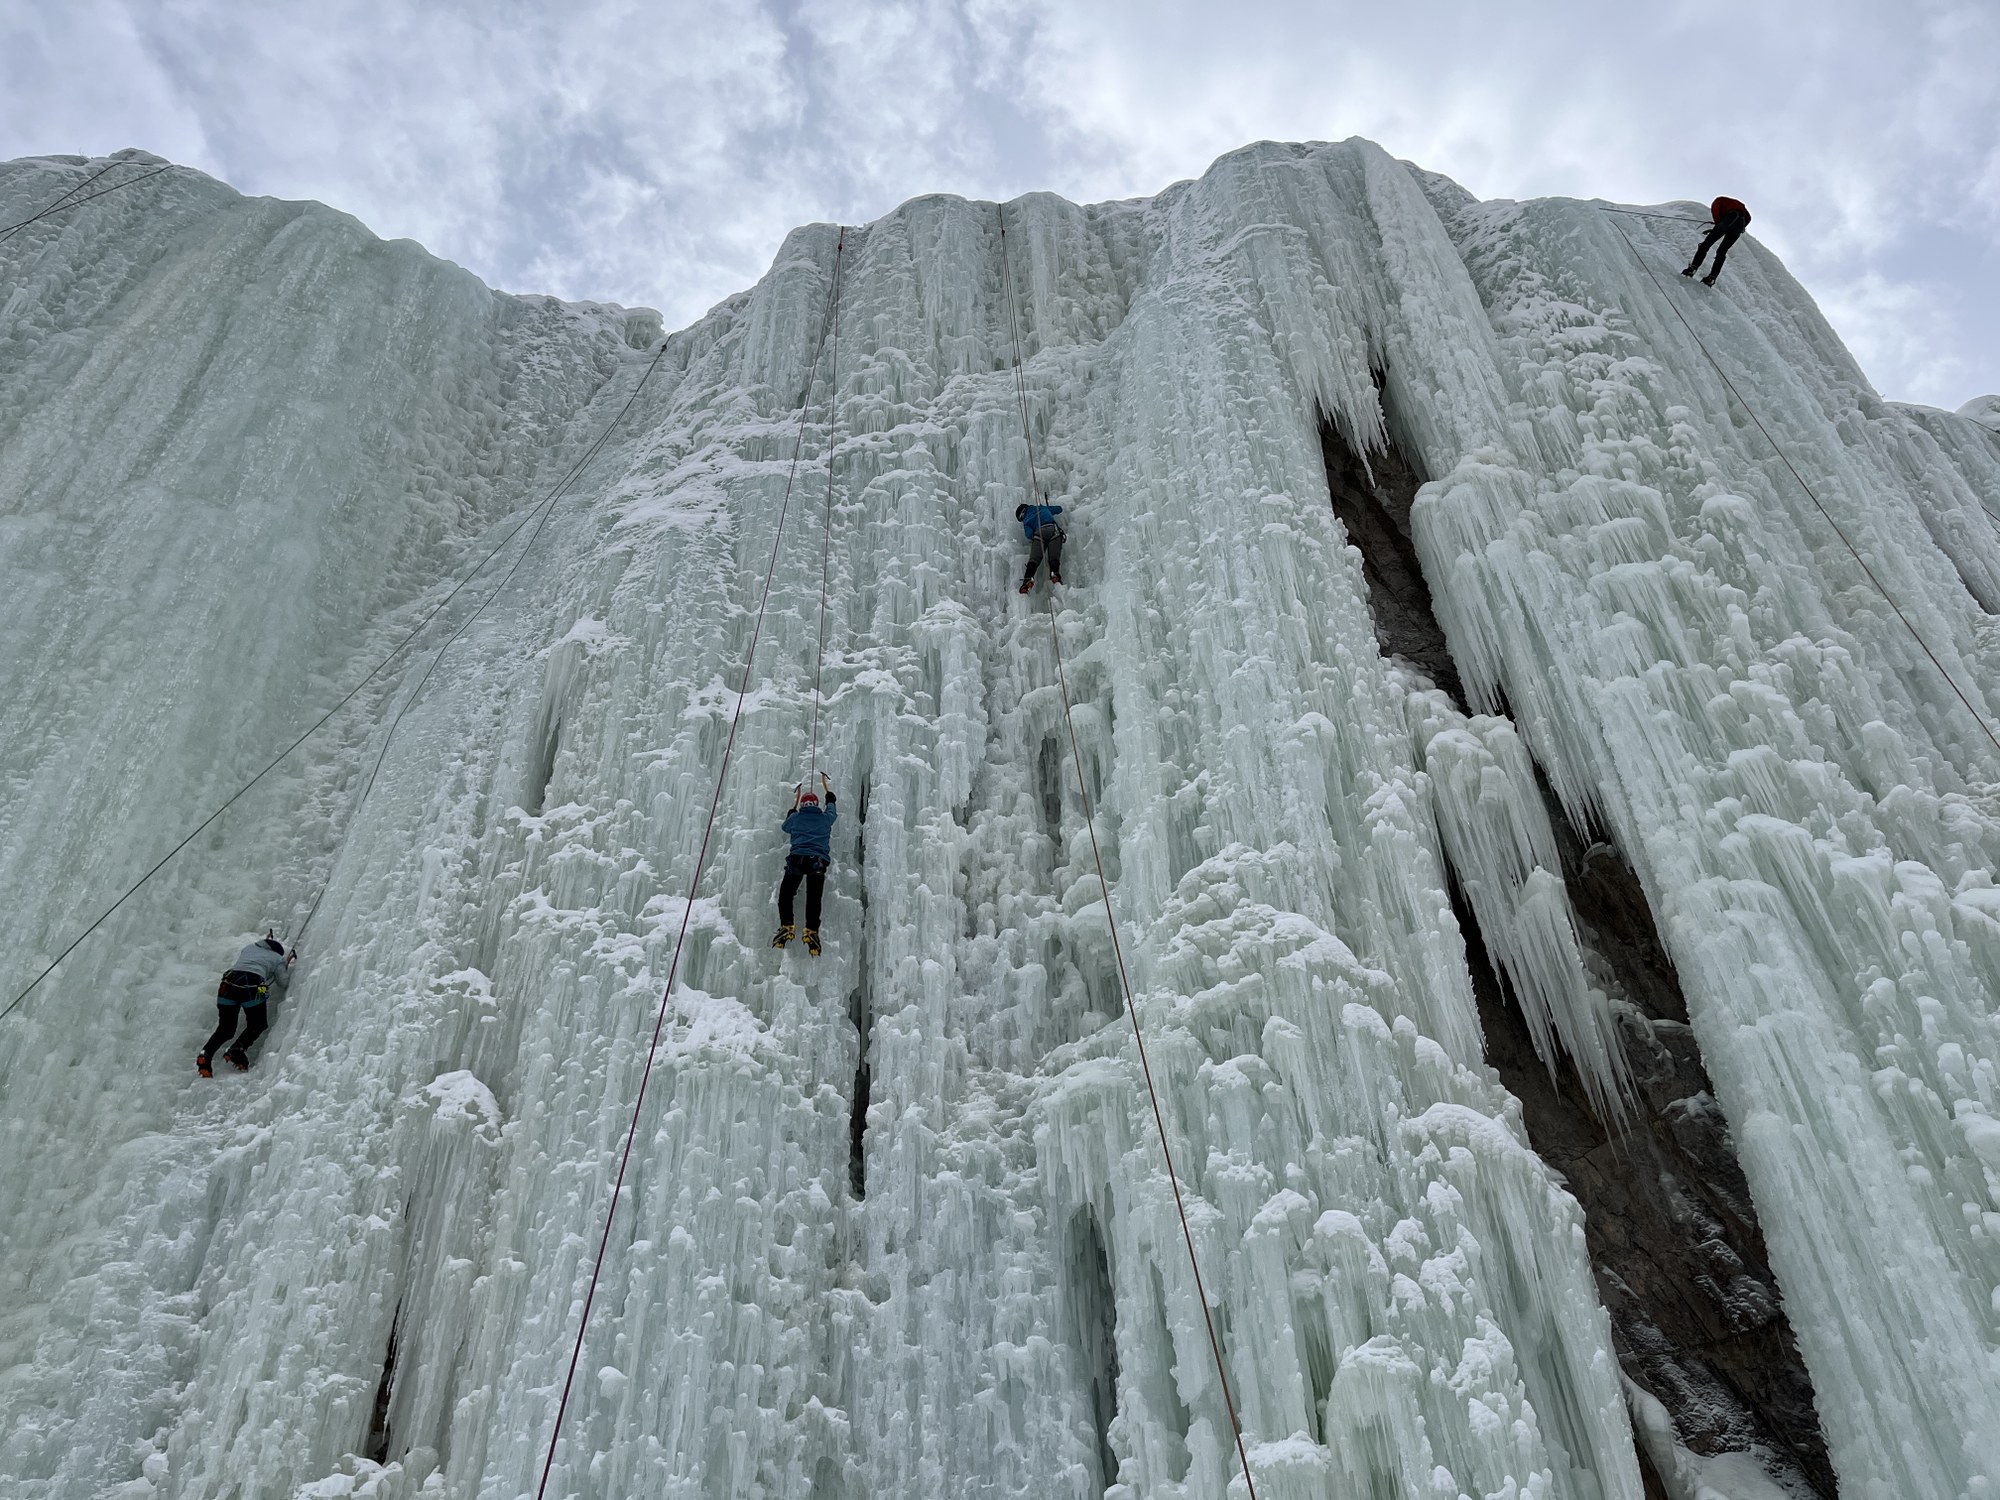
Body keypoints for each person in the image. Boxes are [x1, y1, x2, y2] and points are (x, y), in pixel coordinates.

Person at [197, 931, 294, 1076]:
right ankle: (237, 1049)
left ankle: (206, 1054)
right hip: (253, 983)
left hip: (228, 983)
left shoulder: (249, 948)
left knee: (226, 1028)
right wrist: (284, 965)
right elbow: (283, 983)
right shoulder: (277, 958)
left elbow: (258, 957)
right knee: (258, 1024)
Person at [772, 772, 837, 957]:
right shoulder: (825, 818)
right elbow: (832, 813)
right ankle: (811, 931)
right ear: (816, 805)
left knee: (786, 895)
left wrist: (791, 812)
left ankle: (787, 926)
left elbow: (785, 827)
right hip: (817, 862)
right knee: (813, 898)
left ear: (802, 804)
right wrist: (830, 799)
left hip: (797, 861)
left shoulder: (796, 818)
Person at [1683, 196, 1752, 286]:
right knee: (1721, 251)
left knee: (1706, 244)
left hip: (1730, 218)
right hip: (1739, 224)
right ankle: (1712, 278)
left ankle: (1693, 268)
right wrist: (1742, 227)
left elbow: (1716, 210)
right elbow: (1749, 218)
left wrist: (1718, 223)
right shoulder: (1737, 206)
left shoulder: (1718, 200)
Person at [1016, 498, 1066, 594]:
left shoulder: (1026, 520)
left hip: (1039, 534)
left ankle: (1027, 580)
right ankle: (1054, 574)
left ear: (1022, 515)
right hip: (1054, 531)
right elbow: (1059, 509)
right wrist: (1048, 509)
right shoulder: (1042, 507)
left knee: (1034, 560)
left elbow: (1029, 534)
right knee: (1054, 558)